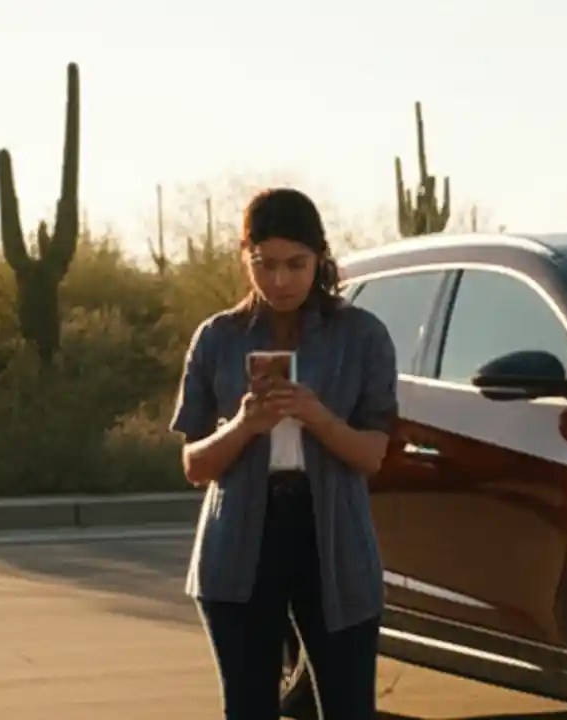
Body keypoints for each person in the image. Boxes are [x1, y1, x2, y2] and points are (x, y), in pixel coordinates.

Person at [169, 187, 397, 719]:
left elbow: (371, 456)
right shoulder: (217, 338)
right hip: (239, 541)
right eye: (264, 264)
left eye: (295, 264)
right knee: (248, 708)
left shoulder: (360, 336)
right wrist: (246, 425)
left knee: (347, 708)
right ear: (245, 256)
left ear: (319, 257)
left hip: (333, 539)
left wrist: (317, 415)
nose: (280, 280)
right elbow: (194, 465)